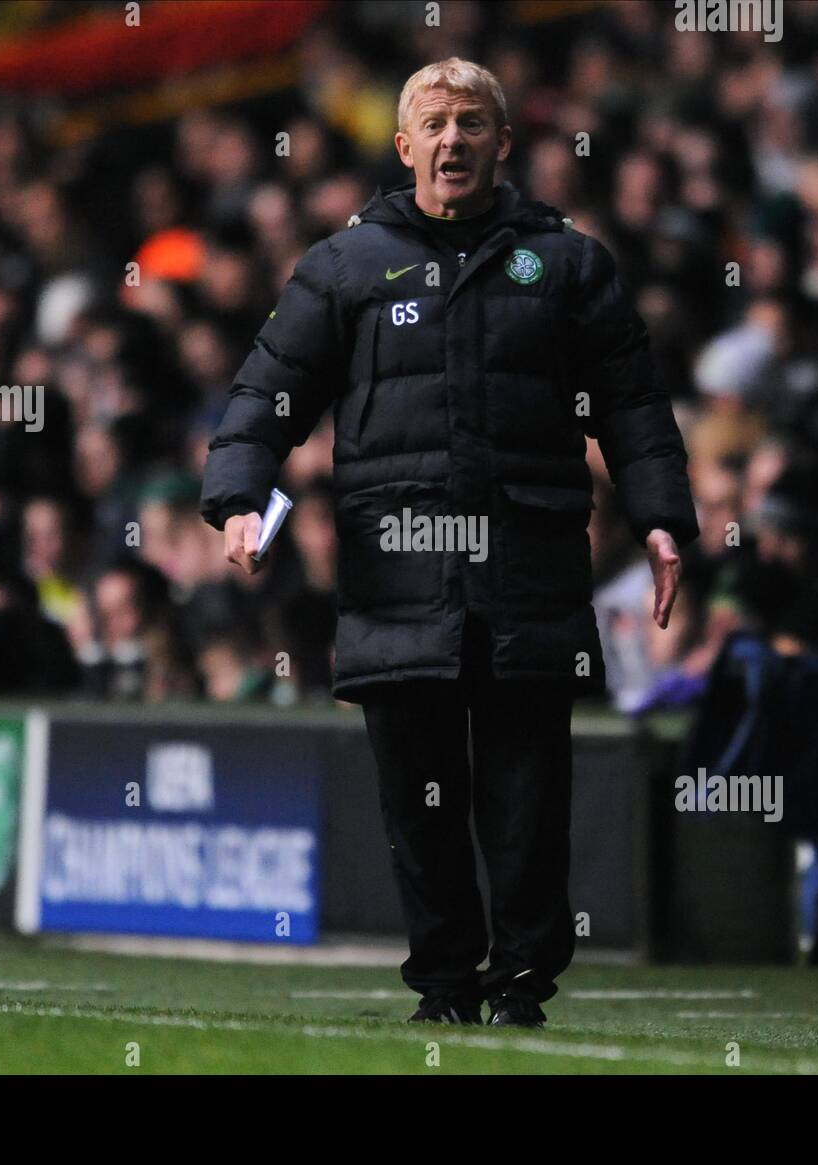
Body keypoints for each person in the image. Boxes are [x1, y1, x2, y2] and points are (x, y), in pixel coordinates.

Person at [201, 58, 697, 1028]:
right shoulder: (342, 266)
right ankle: (442, 981)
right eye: (433, 123)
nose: (452, 140)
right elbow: (268, 392)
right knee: (417, 804)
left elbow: (633, 404)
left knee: (526, 797)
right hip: (397, 571)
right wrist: (236, 497)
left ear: (503, 143)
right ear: (402, 145)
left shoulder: (565, 263)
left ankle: (520, 980)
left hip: (527, 566)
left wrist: (662, 518)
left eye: (472, 122)